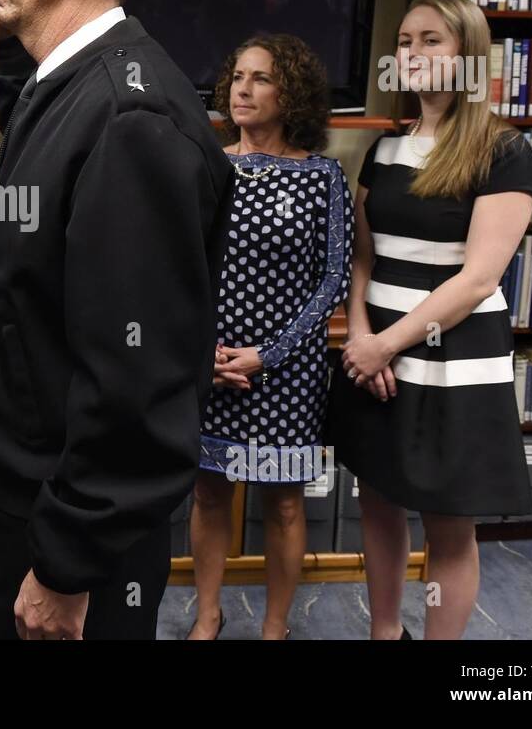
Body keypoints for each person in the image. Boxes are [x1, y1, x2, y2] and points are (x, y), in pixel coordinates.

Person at [0, 0, 234, 640]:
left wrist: (66, 565)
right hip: (29, 489)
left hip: (71, 522)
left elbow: (135, 381)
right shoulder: (68, 79)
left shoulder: (129, 118)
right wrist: (13, 34)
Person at [330, 0, 532, 639]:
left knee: (448, 526)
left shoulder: (504, 152)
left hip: (453, 362)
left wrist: (387, 342)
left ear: (467, 56)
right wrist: (363, 335)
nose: (412, 53)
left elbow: (479, 278)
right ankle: (384, 631)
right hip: (379, 361)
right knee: (380, 504)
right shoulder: (387, 151)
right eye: (405, 40)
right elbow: (364, 255)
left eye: (431, 40)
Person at [189, 35, 353, 640]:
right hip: (212, 361)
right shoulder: (207, 164)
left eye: (260, 78)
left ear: (293, 94)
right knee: (208, 495)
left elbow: (333, 278)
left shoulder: (322, 176)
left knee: (284, 502)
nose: (242, 88)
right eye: (236, 76)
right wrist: (201, 352)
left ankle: (275, 627)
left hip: (286, 370)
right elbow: (184, 266)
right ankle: (208, 613)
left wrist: (268, 355)